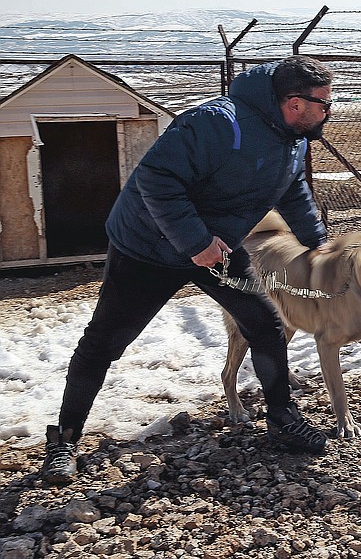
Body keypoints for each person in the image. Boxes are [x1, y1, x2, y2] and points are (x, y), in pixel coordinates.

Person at [41, 56, 335, 484]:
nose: (328, 110)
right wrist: (194, 243)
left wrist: (317, 246)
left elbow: (293, 192)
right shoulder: (217, 124)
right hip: (148, 248)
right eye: (324, 103)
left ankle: (282, 418)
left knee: (265, 324)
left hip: (215, 248)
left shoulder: (293, 140)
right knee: (105, 342)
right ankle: (65, 439)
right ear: (294, 103)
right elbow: (157, 179)